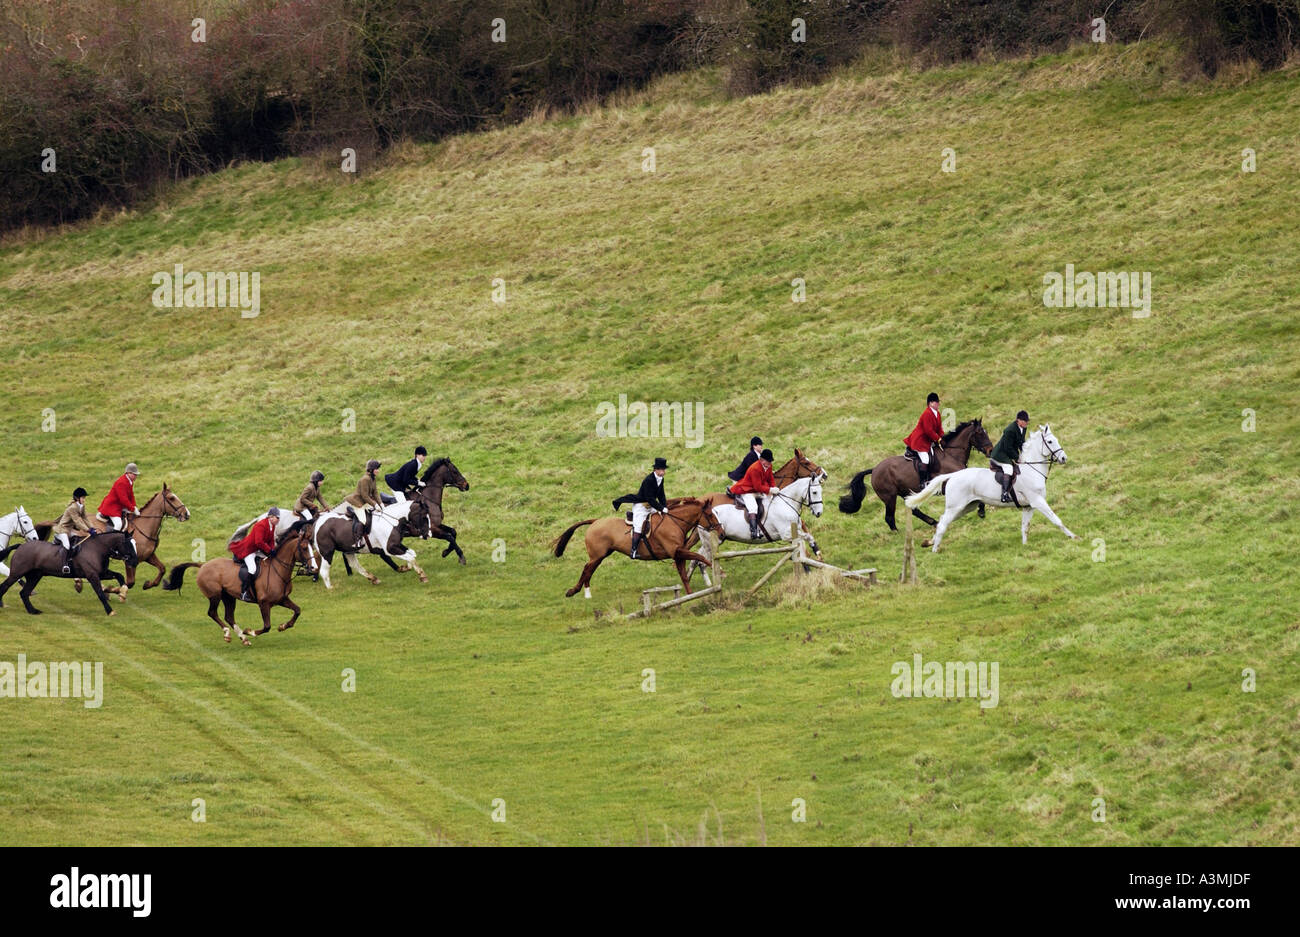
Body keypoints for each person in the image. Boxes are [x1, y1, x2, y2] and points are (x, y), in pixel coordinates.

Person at [728, 448, 781, 540]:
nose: (769, 464)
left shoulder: (768, 466)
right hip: (747, 490)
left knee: (770, 502)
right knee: (753, 507)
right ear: (762, 460)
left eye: (770, 461)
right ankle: (753, 531)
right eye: (768, 462)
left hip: (758, 490)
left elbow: (770, 479)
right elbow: (757, 487)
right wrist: (770, 490)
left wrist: (773, 488)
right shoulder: (755, 468)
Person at [231, 507, 279, 601]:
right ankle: (244, 592)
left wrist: (272, 550)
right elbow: (258, 542)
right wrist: (269, 550)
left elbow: (271, 540)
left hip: (258, 550)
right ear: (271, 517)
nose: (278, 520)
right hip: (249, 550)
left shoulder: (272, 526)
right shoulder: (260, 525)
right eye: (277, 517)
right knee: (252, 569)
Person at [630, 457, 669, 560]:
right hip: (641, 505)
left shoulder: (661, 479)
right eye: (661, 470)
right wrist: (661, 508)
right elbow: (650, 498)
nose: (663, 472)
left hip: (651, 505)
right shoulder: (648, 480)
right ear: (655, 469)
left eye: (664, 470)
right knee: (638, 527)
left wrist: (664, 506)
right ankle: (633, 550)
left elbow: (661, 495)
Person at [903, 393, 944, 487]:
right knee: (925, 459)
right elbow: (928, 430)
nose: (938, 404)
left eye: (938, 402)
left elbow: (939, 428)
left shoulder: (937, 414)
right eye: (936, 402)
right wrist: (938, 439)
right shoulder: (927, 413)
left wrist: (942, 437)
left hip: (928, 441)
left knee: (935, 456)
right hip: (920, 441)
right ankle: (922, 482)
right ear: (930, 403)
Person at [990, 410, 1030, 503]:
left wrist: (1025, 453)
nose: (1026, 423)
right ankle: (1004, 494)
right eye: (1024, 421)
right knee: (1009, 468)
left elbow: (1021, 442)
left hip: (1008, 452)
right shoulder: (1010, 430)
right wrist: (1017, 457)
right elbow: (1008, 448)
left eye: (1027, 421)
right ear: (1018, 420)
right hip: (1000, 454)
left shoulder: (1023, 428)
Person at [52, 487, 93, 575]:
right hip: (62, 530)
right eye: (83, 498)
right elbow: (77, 521)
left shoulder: (81, 506)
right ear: (77, 498)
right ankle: (64, 565)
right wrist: (88, 529)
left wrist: (92, 528)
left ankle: (74, 559)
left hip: (69, 529)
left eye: (84, 498)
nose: (84, 500)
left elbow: (85, 518)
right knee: (67, 545)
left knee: (78, 539)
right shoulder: (72, 508)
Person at [344, 459, 384, 544]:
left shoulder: (373, 478)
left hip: (365, 502)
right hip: (357, 502)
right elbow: (364, 496)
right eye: (376, 469)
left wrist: (381, 503)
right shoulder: (365, 479)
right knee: (363, 520)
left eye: (378, 469)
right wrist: (375, 505)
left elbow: (375, 493)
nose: (378, 471)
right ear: (371, 470)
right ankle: (357, 540)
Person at [97, 462, 140, 530]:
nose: (136, 476)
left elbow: (131, 495)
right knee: (118, 524)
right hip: (112, 507)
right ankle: (112, 539)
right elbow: (123, 499)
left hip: (120, 506)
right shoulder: (121, 482)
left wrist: (134, 506)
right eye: (134, 474)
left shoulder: (129, 481)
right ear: (128, 473)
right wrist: (132, 508)